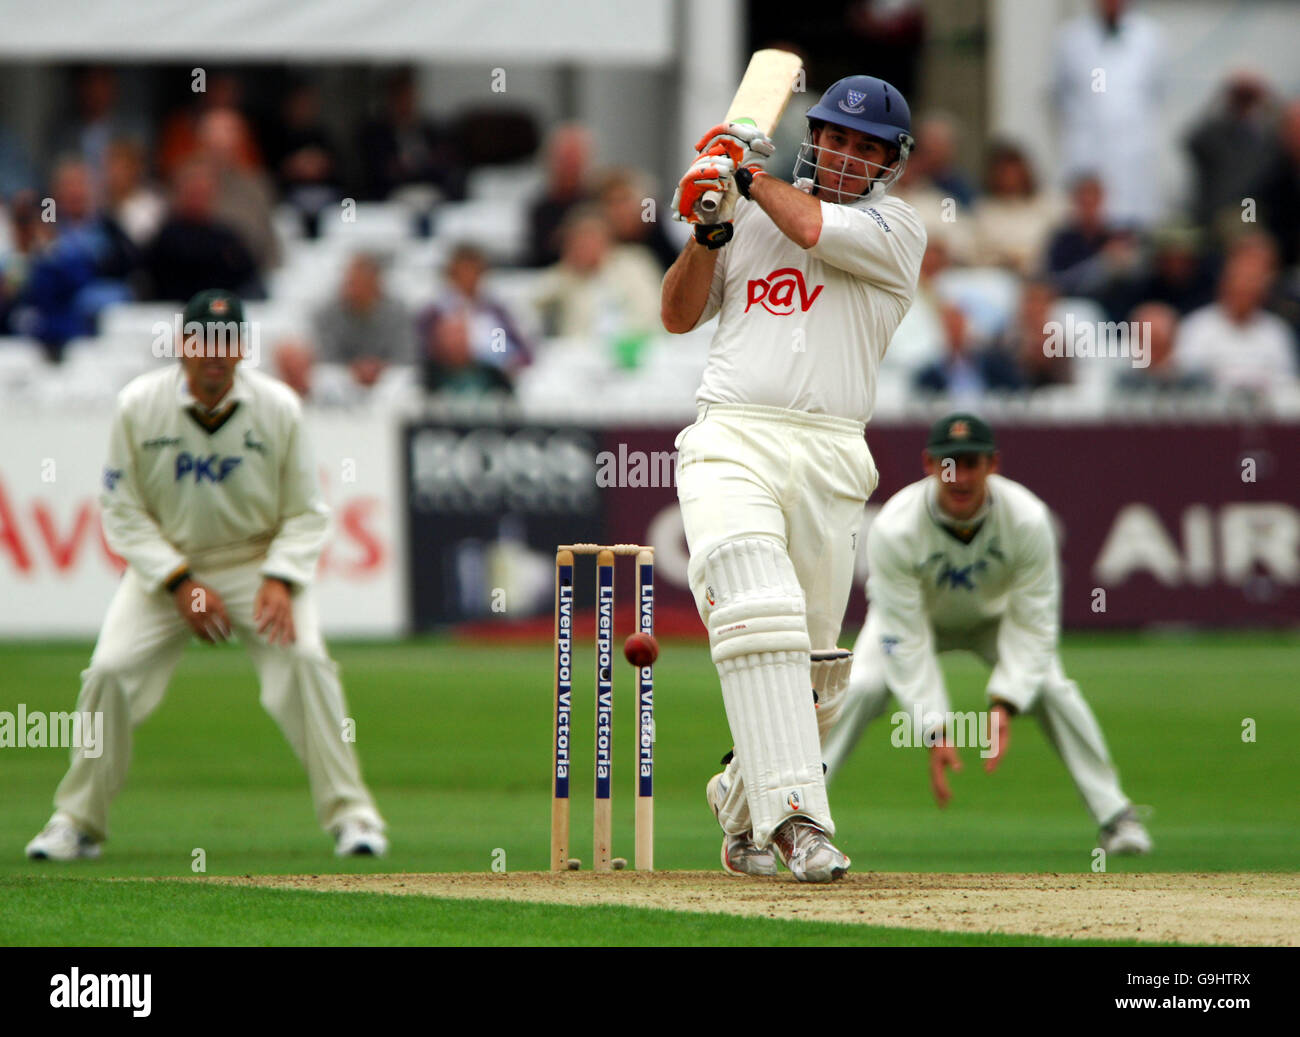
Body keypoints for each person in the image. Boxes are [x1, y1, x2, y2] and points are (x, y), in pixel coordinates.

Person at [660, 75, 926, 881]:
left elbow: (810, 224)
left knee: (816, 677)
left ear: (889, 163)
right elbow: (677, 315)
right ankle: (799, 823)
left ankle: (738, 803)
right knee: (755, 605)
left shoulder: (896, 229)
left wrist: (739, 176)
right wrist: (708, 231)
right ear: (814, 136)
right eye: (836, 138)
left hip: (832, 452)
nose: (846, 155)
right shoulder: (746, 214)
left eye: (865, 147)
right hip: (732, 436)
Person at [25, 289, 387, 861]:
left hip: (255, 563)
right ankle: (77, 821)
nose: (214, 355)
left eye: (227, 342)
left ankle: (353, 817)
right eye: (202, 341)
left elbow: (307, 513)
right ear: (182, 346)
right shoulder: (138, 406)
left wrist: (280, 578)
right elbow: (121, 510)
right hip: (170, 569)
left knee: (307, 663)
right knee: (109, 672)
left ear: (243, 349)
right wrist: (180, 583)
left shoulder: (278, 408)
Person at [822, 413, 1153, 856]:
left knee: (1053, 689)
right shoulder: (894, 527)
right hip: (912, 621)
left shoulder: (1028, 520)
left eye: (970, 462)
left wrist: (1006, 701)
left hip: (993, 621)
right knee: (860, 686)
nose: (959, 476)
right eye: (948, 463)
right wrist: (934, 727)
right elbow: (903, 635)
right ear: (928, 464)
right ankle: (799, 814)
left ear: (992, 464)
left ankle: (1116, 816)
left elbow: (1035, 622)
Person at [312, 253, 414, 388]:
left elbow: (406, 353)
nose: (350, 289)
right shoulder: (328, 313)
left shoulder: (397, 311)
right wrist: (353, 369)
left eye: (357, 282)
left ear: (375, 284)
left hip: (387, 379)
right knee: (328, 378)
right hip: (344, 378)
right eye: (349, 282)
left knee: (402, 381)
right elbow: (325, 355)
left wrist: (379, 367)